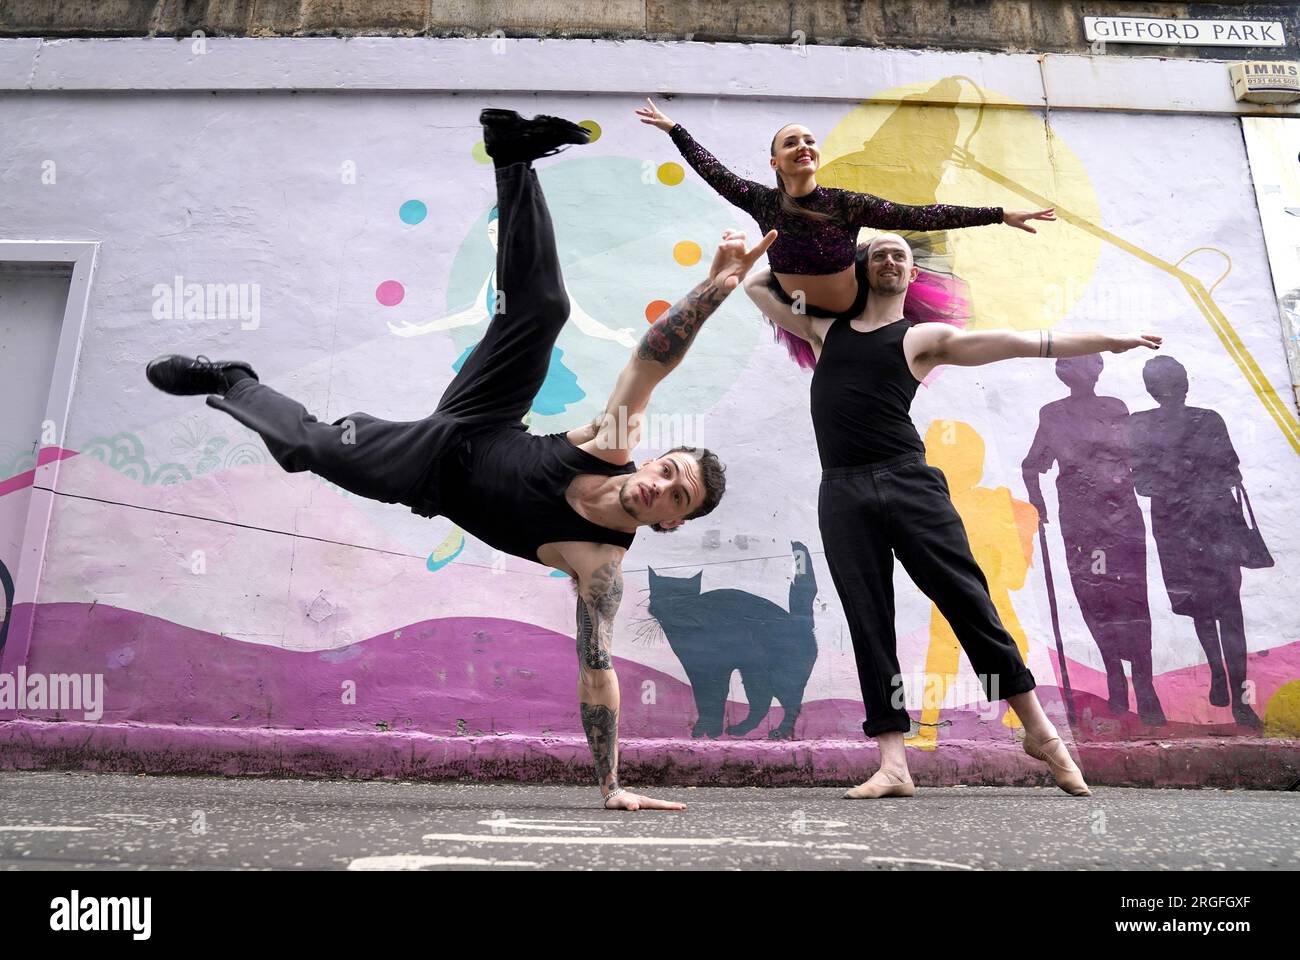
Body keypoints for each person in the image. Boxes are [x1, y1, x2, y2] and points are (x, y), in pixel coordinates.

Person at [145, 108, 776, 810]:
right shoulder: (613, 443)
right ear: (653, 461)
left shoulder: (599, 568)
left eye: (677, 496)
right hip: (484, 413)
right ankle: (515, 156)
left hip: (424, 472)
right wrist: (719, 286)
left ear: (670, 524)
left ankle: (233, 380)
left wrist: (611, 785)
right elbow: (653, 357)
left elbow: (597, 672)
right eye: (668, 469)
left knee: (305, 447)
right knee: (540, 309)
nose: (660, 485)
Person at [781, 231, 1161, 798]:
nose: (889, 258)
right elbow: (765, 286)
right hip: (841, 492)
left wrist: (1111, 337)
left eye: (900, 256)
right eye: (877, 252)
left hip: (909, 482)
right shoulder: (822, 329)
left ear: (912, 277)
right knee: (869, 620)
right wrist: (764, 248)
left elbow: (1019, 341)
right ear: (858, 271)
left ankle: (1039, 733)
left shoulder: (922, 337)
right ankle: (893, 764)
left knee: (968, 601)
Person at [636, 98, 1055, 367]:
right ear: (775, 162)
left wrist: (998, 214)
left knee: (876, 320)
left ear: (816, 154)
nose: (803, 146)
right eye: (790, 143)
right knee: (757, 280)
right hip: (802, 311)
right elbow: (714, 172)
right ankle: (823, 344)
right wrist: (676, 131)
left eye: (809, 140)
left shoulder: (843, 203)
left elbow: (921, 215)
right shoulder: (760, 201)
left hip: (856, 304)